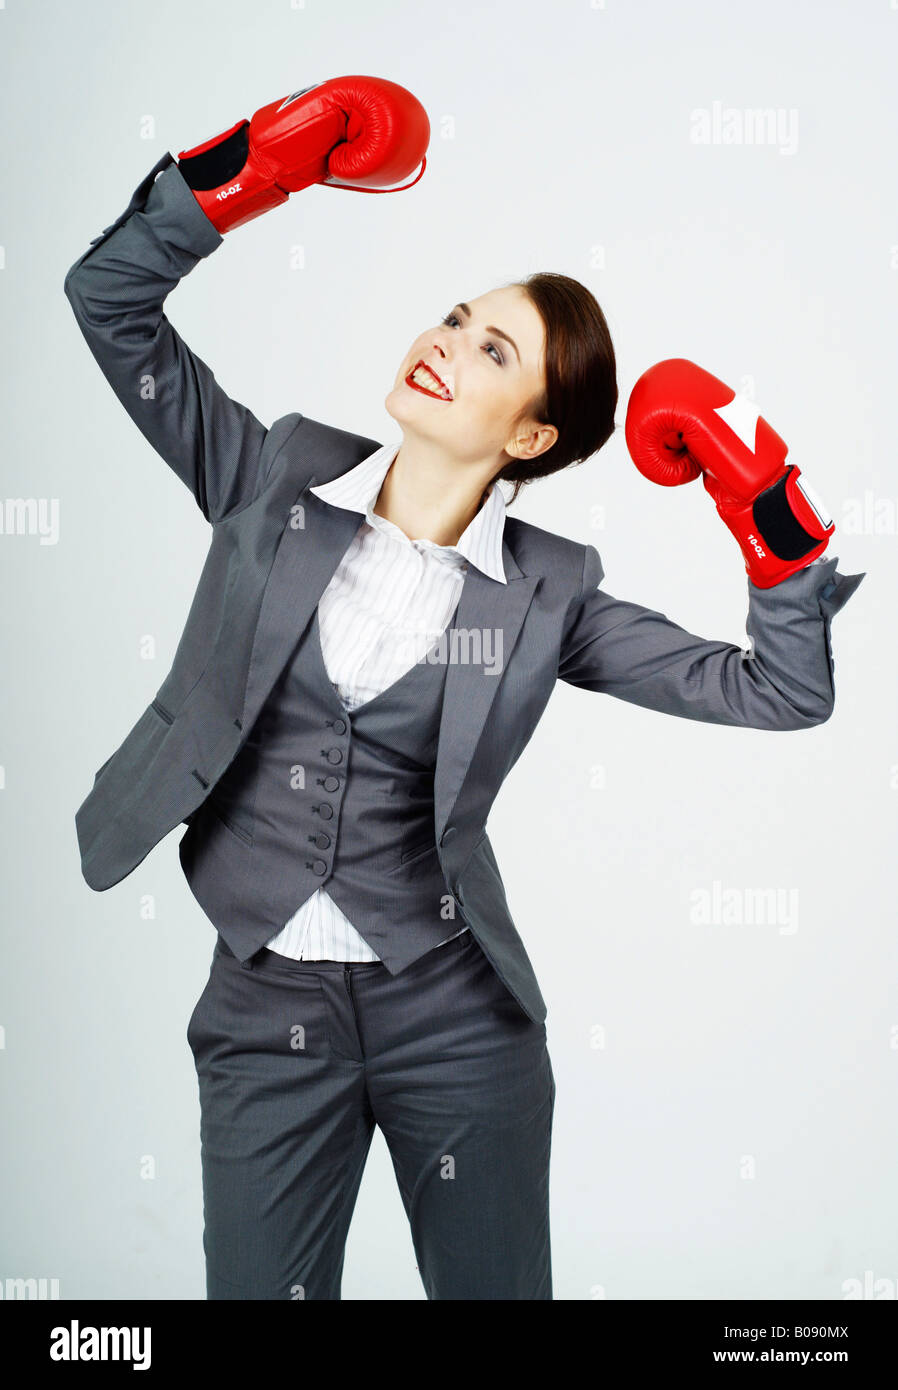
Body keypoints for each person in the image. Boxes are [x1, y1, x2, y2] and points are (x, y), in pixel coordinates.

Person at [64, 76, 864, 1301]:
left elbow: (778, 692)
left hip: (457, 1020)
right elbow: (108, 300)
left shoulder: (548, 598)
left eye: (492, 350)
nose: (443, 344)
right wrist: (251, 170)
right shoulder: (270, 483)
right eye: (452, 318)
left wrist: (768, 517)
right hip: (262, 1005)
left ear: (531, 435)